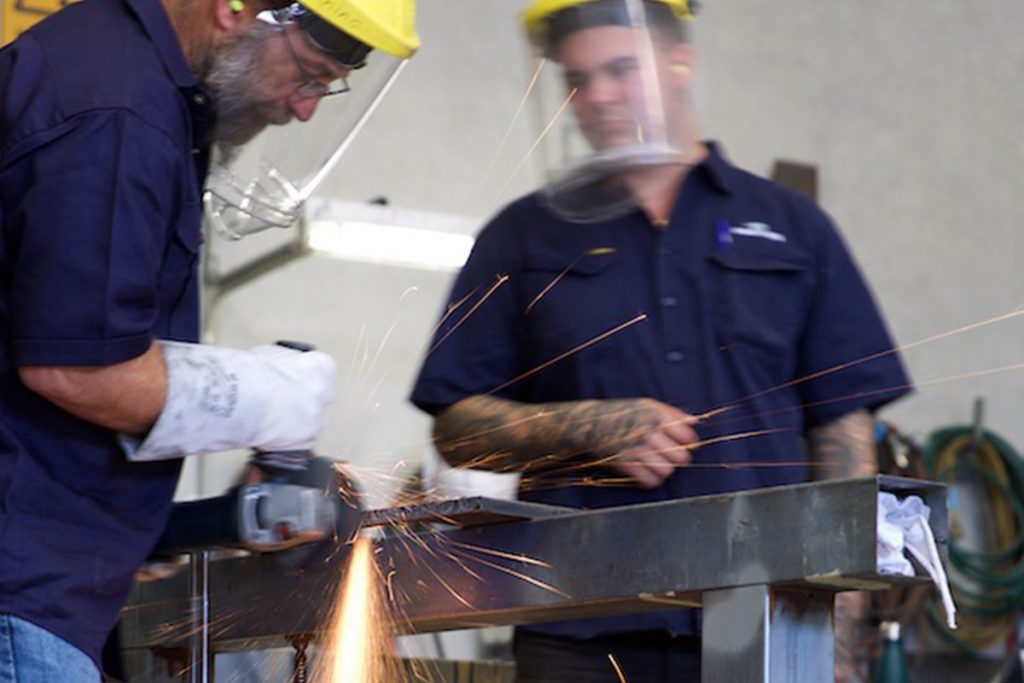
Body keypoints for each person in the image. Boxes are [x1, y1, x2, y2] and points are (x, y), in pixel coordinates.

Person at [410, 1, 909, 682]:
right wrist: (587, 424)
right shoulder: (524, 235)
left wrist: (841, 635)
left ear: (682, 62)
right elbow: (458, 428)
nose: (601, 98)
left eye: (621, 70)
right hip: (577, 627)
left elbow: (844, 436)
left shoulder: (792, 227)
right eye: (580, 80)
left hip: (768, 619)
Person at [0, 0, 418, 679]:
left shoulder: (123, 82)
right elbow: (77, 367)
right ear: (235, 10)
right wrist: (264, 399)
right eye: (308, 75)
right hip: (19, 592)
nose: (306, 108)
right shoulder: (119, 110)